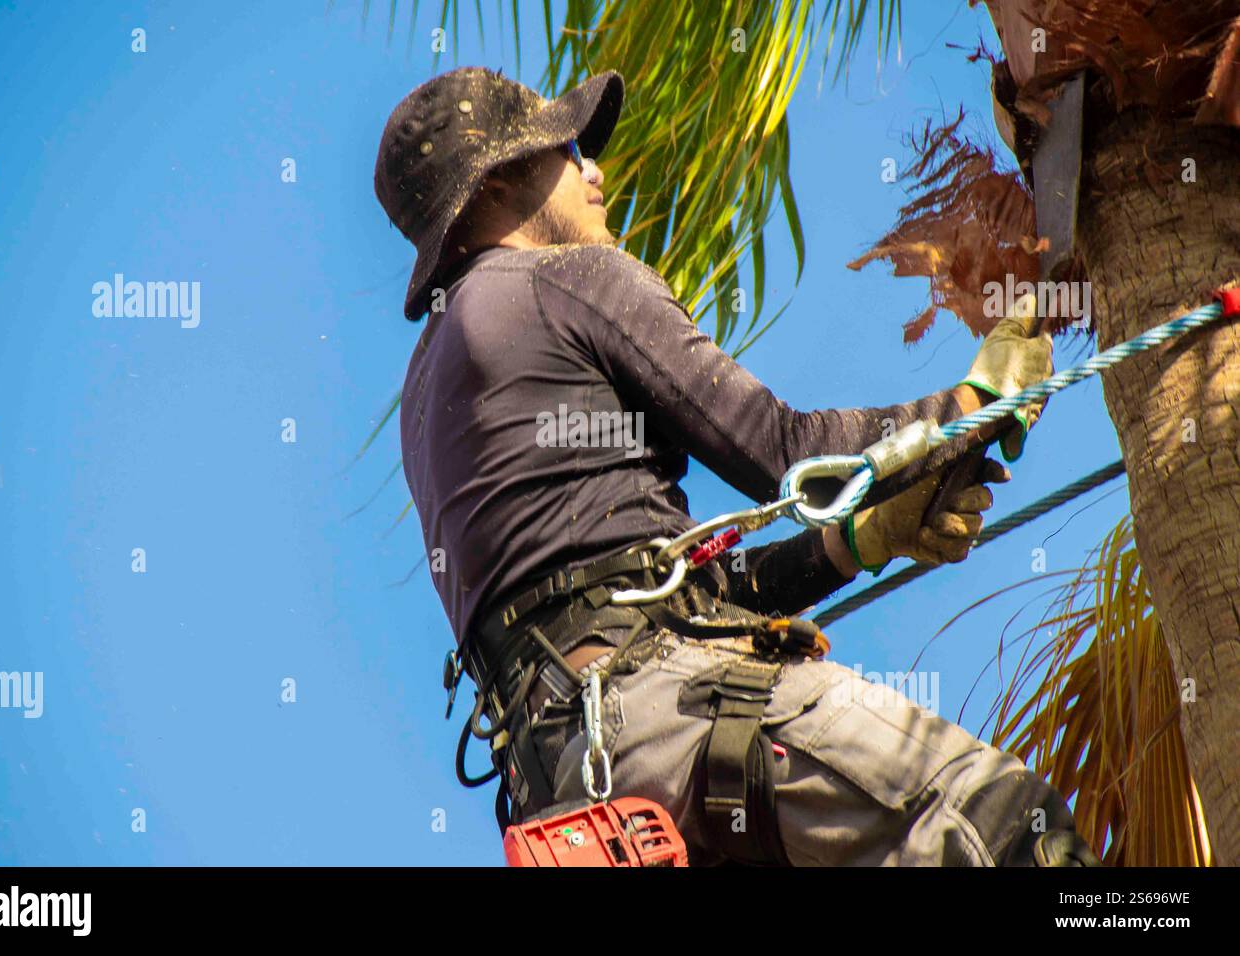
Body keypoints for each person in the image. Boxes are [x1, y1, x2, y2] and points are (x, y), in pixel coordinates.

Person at [374, 66, 1100, 866]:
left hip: (578, 781)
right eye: (570, 151)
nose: (595, 172)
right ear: (505, 175)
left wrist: (852, 543)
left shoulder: (423, 397)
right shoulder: (561, 279)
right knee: (999, 825)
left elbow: (640, 592)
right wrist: (968, 406)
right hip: (666, 714)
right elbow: (783, 451)